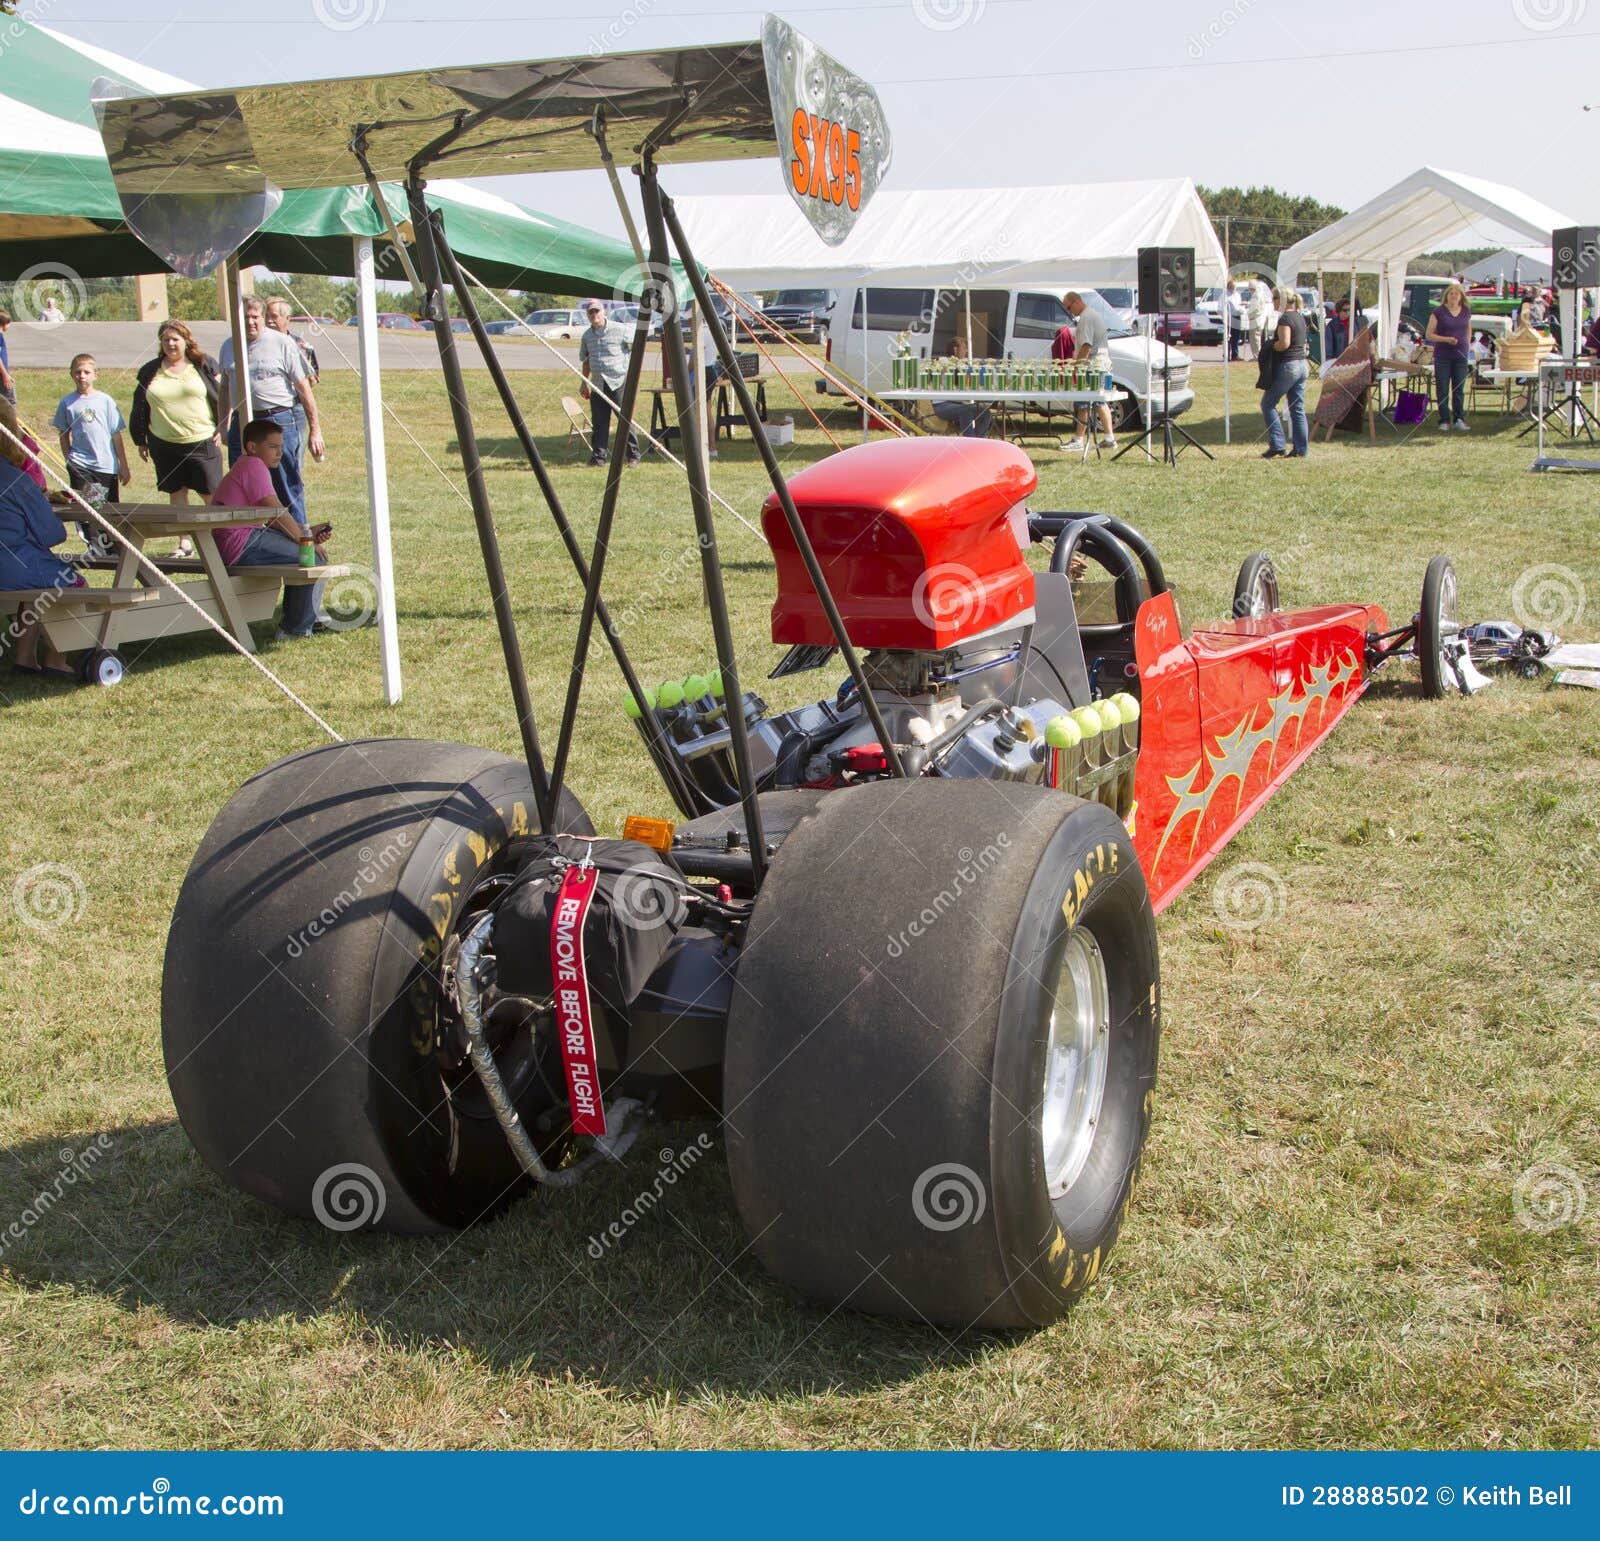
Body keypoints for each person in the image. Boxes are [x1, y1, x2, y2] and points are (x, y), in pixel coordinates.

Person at [209, 417, 328, 642]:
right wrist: (305, 539)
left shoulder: (247, 465)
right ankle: (296, 629)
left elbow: (273, 519)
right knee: (313, 558)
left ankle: (300, 622)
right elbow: (275, 510)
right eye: (273, 447)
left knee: (309, 554)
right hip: (240, 543)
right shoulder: (253, 465)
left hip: (240, 539)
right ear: (252, 447)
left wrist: (306, 533)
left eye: (281, 447)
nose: (279, 453)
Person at [217, 295, 325, 529]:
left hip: (278, 419)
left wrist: (315, 430)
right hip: (242, 421)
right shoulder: (228, 346)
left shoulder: (282, 343)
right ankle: (249, 536)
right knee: (243, 482)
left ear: (263, 317)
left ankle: (300, 537)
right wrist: (222, 425)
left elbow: (304, 387)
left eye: (255, 316)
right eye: (244, 317)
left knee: (284, 481)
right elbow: (224, 389)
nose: (250, 322)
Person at [1, 398, 85, 680]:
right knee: (70, 580)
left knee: (36, 584)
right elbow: (53, 534)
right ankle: (56, 658)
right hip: (12, 567)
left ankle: (25, 658)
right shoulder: (17, 480)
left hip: (14, 567)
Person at [130, 321, 224, 505]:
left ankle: (217, 534)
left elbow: (222, 397)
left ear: (186, 340)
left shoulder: (205, 364)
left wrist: (223, 427)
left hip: (202, 441)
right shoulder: (149, 370)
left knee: (211, 495)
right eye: (166, 340)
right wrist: (140, 440)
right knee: (177, 493)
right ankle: (184, 535)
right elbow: (139, 406)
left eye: (175, 339)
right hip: (164, 445)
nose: (170, 344)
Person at [52, 354, 130, 550]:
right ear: (71, 375)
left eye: (86, 372)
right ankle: (94, 545)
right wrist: (69, 457)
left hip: (105, 464)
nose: (82, 376)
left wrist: (123, 465)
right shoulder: (68, 402)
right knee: (91, 504)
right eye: (78, 372)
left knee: (109, 507)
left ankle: (112, 545)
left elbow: (116, 435)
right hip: (80, 463)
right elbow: (63, 433)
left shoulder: (105, 401)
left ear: (96, 375)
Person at [578, 298, 638, 466]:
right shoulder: (587, 336)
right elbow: (586, 361)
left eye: (596, 311)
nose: (594, 314)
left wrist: (631, 374)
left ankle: (632, 456)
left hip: (618, 381)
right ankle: (599, 457)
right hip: (597, 384)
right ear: (587, 315)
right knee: (599, 422)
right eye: (591, 312)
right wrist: (584, 383)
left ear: (603, 311)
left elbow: (637, 347)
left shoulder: (619, 329)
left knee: (625, 420)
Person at [1062, 291, 1115, 451]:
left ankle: (1079, 440)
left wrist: (1076, 367)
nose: (1070, 312)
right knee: (1097, 401)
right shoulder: (1091, 315)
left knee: (1086, 402)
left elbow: (1086, 345)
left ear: (1077, 302)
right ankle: (1108, 438)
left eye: (1069, 308)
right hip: (1099, 365)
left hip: (1093, 366)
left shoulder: (1086, 318)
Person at [1260, 290, 1309, 459]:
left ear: (1283, 300)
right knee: (1297, 408)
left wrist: (1270, 346)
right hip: (1302, 365)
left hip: (1289, 366)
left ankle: (1278, 444)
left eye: (1274, 298)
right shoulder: (1299, 316)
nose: (1272, 302)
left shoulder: (1285, 319)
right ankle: (1301, 449)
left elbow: (1284, 343)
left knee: (1268, 404)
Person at [264, 298, 319, 448]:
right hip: (265, 410)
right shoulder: (257, 344)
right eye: (266, 316)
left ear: (287, 319)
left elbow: (312, 380)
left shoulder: (301, 346)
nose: (269, 321)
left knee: (293, 454)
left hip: (295, 408)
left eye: (274, 316)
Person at [1425, 281, 1472, 432]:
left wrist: (1467, 345)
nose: (1454, 296)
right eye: (1451, 293)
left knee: (1459, 388)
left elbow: (1468, 330)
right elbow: (1429, 334)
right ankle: (1444, 419)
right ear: (1446, 296)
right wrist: (1446, 340)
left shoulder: (1465, 311)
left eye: (1456, 293)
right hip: (1443, 356)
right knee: (1442, 388)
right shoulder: (1438, 312)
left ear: (1461, 296)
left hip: (1461, 356)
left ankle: (1459, 418)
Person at [931, 337, 992, 438]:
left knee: (985, 412)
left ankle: (977, 440)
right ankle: (970, 440)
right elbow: (945, 371)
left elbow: (965, 383)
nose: (966, 351)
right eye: (964, 348)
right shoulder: (943, 361)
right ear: (955, 349)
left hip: (957, 403)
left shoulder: (961, 364)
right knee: (966, 411)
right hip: (941, 405)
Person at [1226, 281, 1246, 360]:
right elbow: (1233, 307)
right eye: (1232, 287)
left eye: (1235, 287)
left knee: (1236, 337)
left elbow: (1238, 305)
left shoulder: (1237, 295)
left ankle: (1235, 354)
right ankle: (1227, 355)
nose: (1234, 289)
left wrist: (1242, 308)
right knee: (1229, 337)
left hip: (1237, 317)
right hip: (1230, 317)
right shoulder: (1225, 295)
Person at [0, 309, 14, 405]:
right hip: (1, 376)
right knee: (10, 402)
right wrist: (5, 376)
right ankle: (11, 420)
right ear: (4, 323)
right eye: (9, 323)